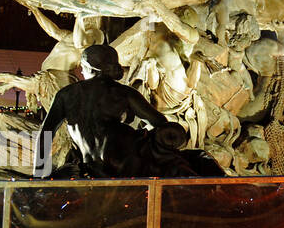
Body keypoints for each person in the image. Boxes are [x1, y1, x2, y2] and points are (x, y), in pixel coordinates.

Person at [33, 44, 221, 179]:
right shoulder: (121, 92)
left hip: (93, 165)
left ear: (90, 68)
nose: (82, 72)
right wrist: (145, 132)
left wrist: (41, 175)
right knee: (197, 159)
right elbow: (160, 123)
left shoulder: (66, 94)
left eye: (82, 68)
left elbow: (45, 133)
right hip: (129, 160)